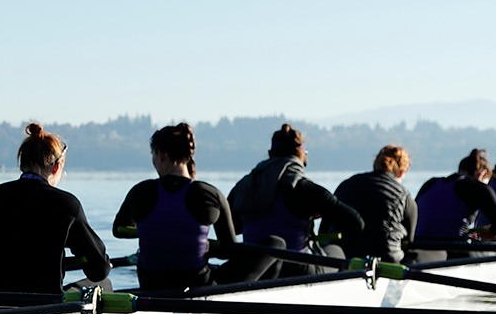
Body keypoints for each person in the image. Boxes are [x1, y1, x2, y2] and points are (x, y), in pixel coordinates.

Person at [113, 122, 268, 290]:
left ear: (161, 155)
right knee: (275, 243)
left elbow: (118, 229)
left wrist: (156, 233)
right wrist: (205, 246)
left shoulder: (140, 192)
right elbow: (229, 251)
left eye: (153, 154)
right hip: (197, 283)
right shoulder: (210, 193)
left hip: (150, 283)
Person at [0, 123, 111, 294]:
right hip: (40, 303)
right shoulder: (66, 204)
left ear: (22, 165)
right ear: (56, 167)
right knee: (105, 285)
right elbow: (98, 271)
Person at [227, 123, 363, 277]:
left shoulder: (244, 186)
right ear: (301, 155)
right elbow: (355, 223)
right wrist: (320, 213)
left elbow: (234, 228)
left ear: (270, 153)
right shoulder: (305, 189)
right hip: (296, 268)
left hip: (254, 265)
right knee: (336, 251)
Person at [411, 149, 496, 261]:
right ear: (482, 174)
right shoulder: (479, 188)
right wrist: (487, 233)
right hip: (454, 250)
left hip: (418, 246)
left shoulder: (430, 183)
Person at [332, 145, 417, 262]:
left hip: (345, 255)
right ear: (401, 173)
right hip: (387, 256)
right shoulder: (404, 196)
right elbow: (410, 241)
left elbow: (325, 226)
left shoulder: (347, 184)